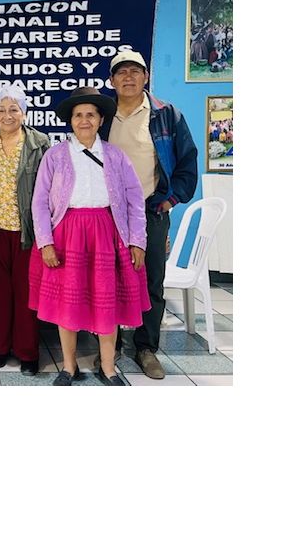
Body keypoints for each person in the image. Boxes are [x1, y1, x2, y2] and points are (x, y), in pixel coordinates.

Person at [29, 86, 149, 386]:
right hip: (66, 235)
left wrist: (137, 240)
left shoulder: (115, 155)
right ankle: (69, 366)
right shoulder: (56, 156)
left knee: (107, 303)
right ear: (70, 120)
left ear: (99, 119)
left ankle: (108, 367)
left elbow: (134, 198)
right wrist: (45, 242)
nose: (84, 120)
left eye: (91, 115)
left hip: (107, 234)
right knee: (67, 304)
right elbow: (40, 201)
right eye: (78, 115)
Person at [105, 49, 199, 379]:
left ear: (146, 76)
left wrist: (170, 202)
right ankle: (110, 346)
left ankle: (146, 348)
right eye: (121, 72)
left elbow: (187, 162)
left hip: (151, 211)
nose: (128, 77)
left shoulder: (166, 115)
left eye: (135, 71)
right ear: (112, 80)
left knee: (151, 282)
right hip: (109, 214)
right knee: (108, 281)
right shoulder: (102, 116)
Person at [0, 81, 50, 375]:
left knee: (26, 293)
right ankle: (0, 348)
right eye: (1, 109)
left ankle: (28, 352)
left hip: (28, 233)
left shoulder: (39, 143)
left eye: (13, 109)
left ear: (24, 112)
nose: (7, 115)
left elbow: (48, 189)